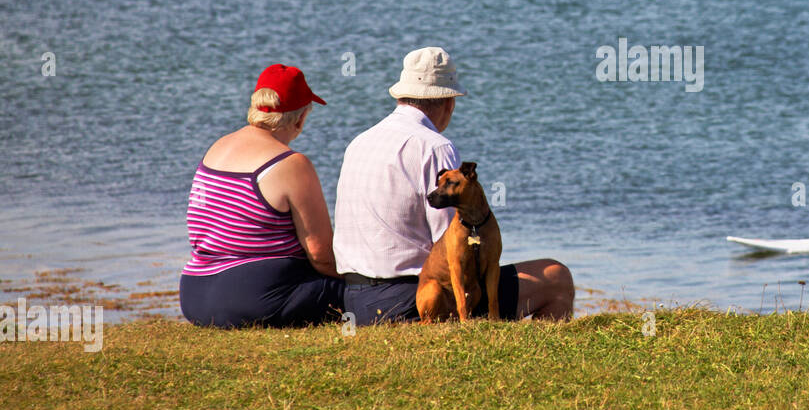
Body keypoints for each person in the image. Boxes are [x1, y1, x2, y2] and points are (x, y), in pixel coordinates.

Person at [333, 47, 574, 325]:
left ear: (400, 96)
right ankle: (528, 350)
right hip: (417, 298)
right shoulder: (435, 147)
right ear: (449, 102)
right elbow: (454, 246)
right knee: (556, 276)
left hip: (355, 299)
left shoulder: (359, 142)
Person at [181, 64, 344, 327]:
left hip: (195, 296)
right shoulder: (291, 163)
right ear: (300, 118)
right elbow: (321, 255)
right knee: (366, 294)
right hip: (256, 297)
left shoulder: (218, 146)